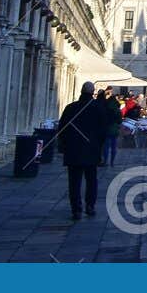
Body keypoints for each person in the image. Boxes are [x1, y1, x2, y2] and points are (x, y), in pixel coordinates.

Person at [56, 81, 108, 220]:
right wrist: (99, 146)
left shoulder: (71, 108)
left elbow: (62, 129)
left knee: (74, 181)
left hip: (73, 150)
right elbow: (103, 131)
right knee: (91, 180)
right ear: (93, 93)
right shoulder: (98, 108)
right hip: (92, 149)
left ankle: (76, 209)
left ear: (81, 91)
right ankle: (90, 206)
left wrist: (65, 145)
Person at [98, 87, 122, 167]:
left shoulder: (106, 108)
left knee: (106, 146)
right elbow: (120, 121)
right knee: (114, 146)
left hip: (107, 129)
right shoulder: (118, 110)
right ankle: (112, 162)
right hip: (115, 129)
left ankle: (105, 161)